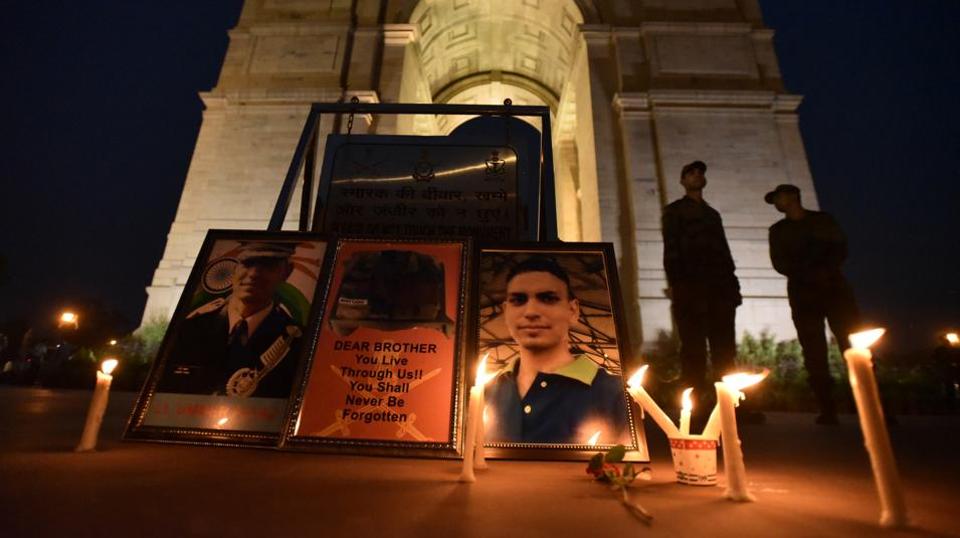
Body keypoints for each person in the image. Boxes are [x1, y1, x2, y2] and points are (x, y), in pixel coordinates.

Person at [485, 256, 629, 444]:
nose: (531, 312)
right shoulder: (485, 392)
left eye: (548, 299)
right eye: (518, 300)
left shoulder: (616, 393)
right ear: (506, 311)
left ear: (573, 310)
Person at [157, 242, 303, 398]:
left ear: (287, 272)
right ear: (235, 269)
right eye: (247, 263)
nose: (253, 274)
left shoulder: (297, 341)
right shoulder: (189, 328)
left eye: (268, 265)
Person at [766, 184, 860, 424]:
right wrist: (807, 273)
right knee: (814, 351)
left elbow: (841, 249)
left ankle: (871, 405)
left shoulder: (823, 220)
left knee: (855, 348)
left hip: (835, 291)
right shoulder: (778, 230)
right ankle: (827, 409)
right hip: (803, 295)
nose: (775, 203)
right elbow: (779, 262)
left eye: (777, 197)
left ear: (792, 196)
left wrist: (823, 271)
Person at [661, 161, 741, 400]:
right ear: (683, 181)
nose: (697, 176)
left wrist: (733, 286)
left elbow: (724, 253)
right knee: (693, 350)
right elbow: (671, 249)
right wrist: (676, 285)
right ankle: (693, 405)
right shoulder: (674, 211)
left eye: (700, 173)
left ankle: (728, 405)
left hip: (719, 290)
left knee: (725, 350)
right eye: (691, 173)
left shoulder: (712, 214)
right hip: (691, 288)